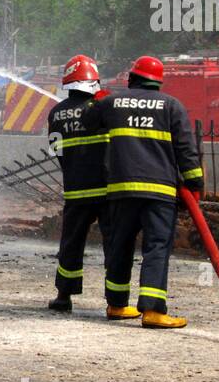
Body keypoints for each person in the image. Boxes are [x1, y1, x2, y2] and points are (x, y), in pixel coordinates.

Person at [84, 55, 203, 329]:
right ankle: (152, 311)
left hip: (122, 190)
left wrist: (98, 99)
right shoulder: (172, 106)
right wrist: (194, 186)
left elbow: (89, 122)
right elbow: (187, 151)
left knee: (120, 246)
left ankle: (116, 305)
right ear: (158, 82)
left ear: (132, 78)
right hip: (159, 192)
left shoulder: (112, 103)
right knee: (156, 248)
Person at [46, 55, 112, 313]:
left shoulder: (55, 112)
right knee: (113, 243)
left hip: (75, 188)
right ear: (93, 80)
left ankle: (64, 296)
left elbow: (55, 151)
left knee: (71, 243)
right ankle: (115, 301)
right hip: (107, 190)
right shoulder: (100, 109)